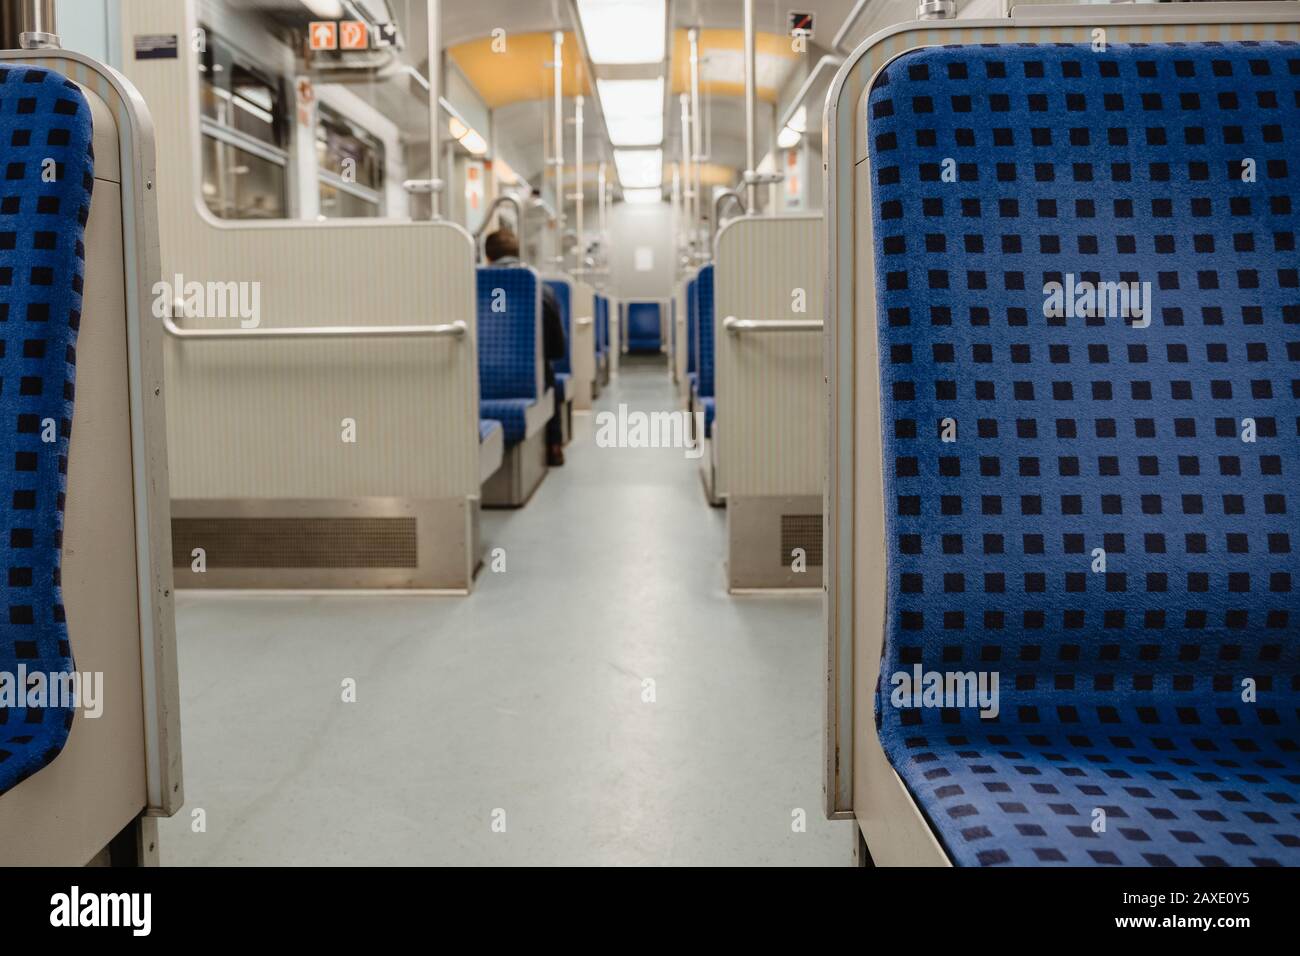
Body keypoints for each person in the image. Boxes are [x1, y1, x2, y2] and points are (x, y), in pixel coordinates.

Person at [483, 228, 567, 466]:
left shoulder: (480, 287)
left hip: (481, 375)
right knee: (547, 374)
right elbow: (556, 348)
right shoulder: (540, 289)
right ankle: (554, 444)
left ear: (487, 256)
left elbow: (496, 321)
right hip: (527, 377)